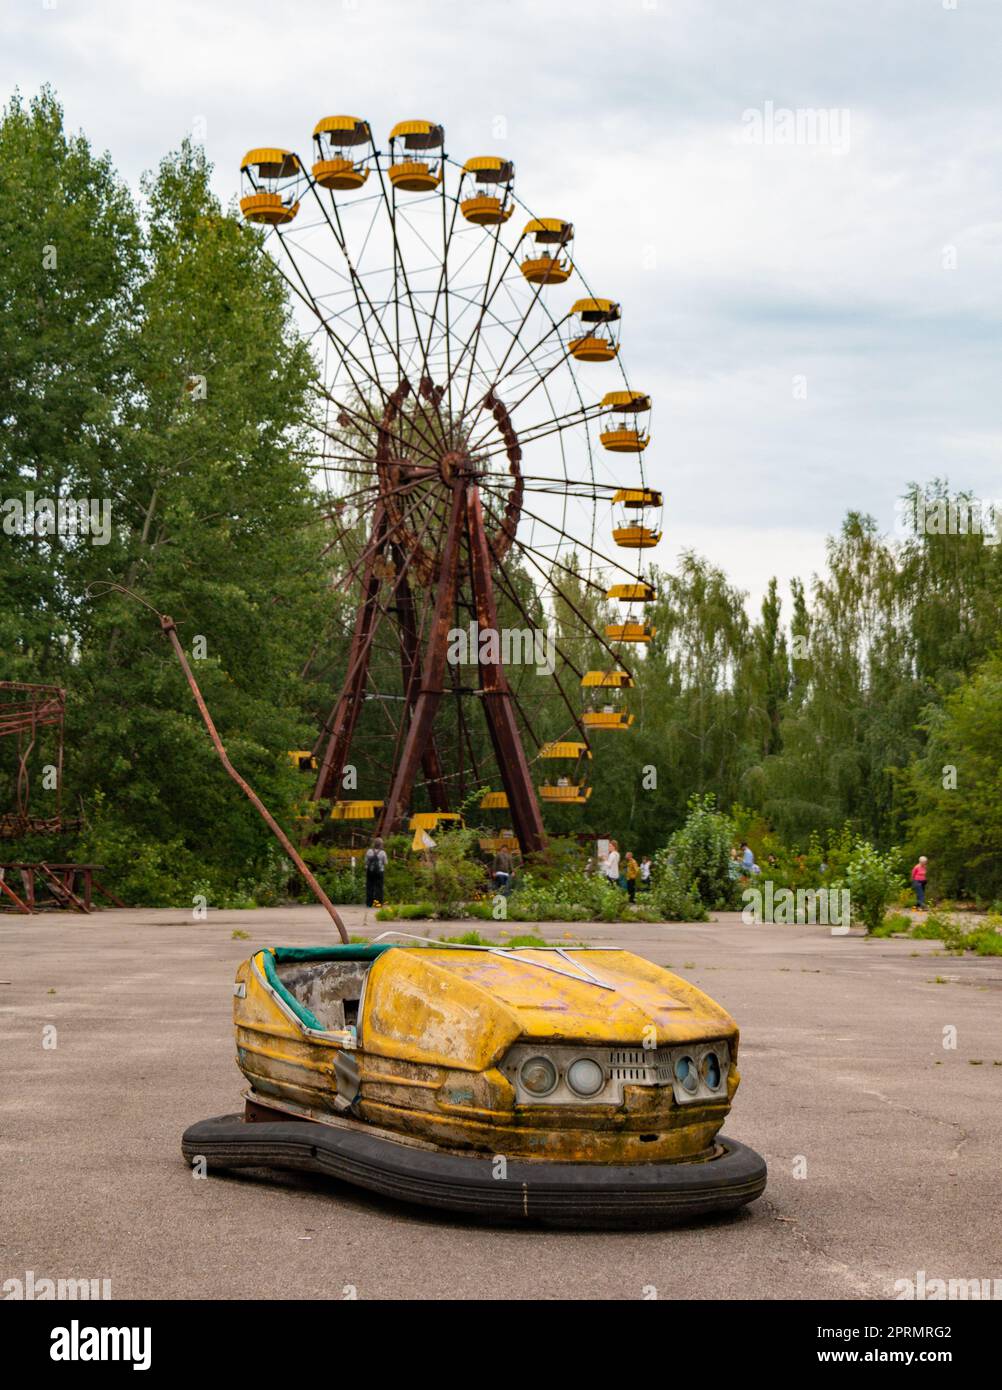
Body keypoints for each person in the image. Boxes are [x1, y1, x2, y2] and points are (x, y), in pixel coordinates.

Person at [364, 836, 387, 908]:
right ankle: (378, 903)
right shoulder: (383, 852)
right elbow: (385, 862)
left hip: (370, 871)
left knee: (369, 887)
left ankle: (369, 903)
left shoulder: (369, 851)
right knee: (379, 887)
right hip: (379, 872)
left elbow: (366, 861)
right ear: (381, 844)